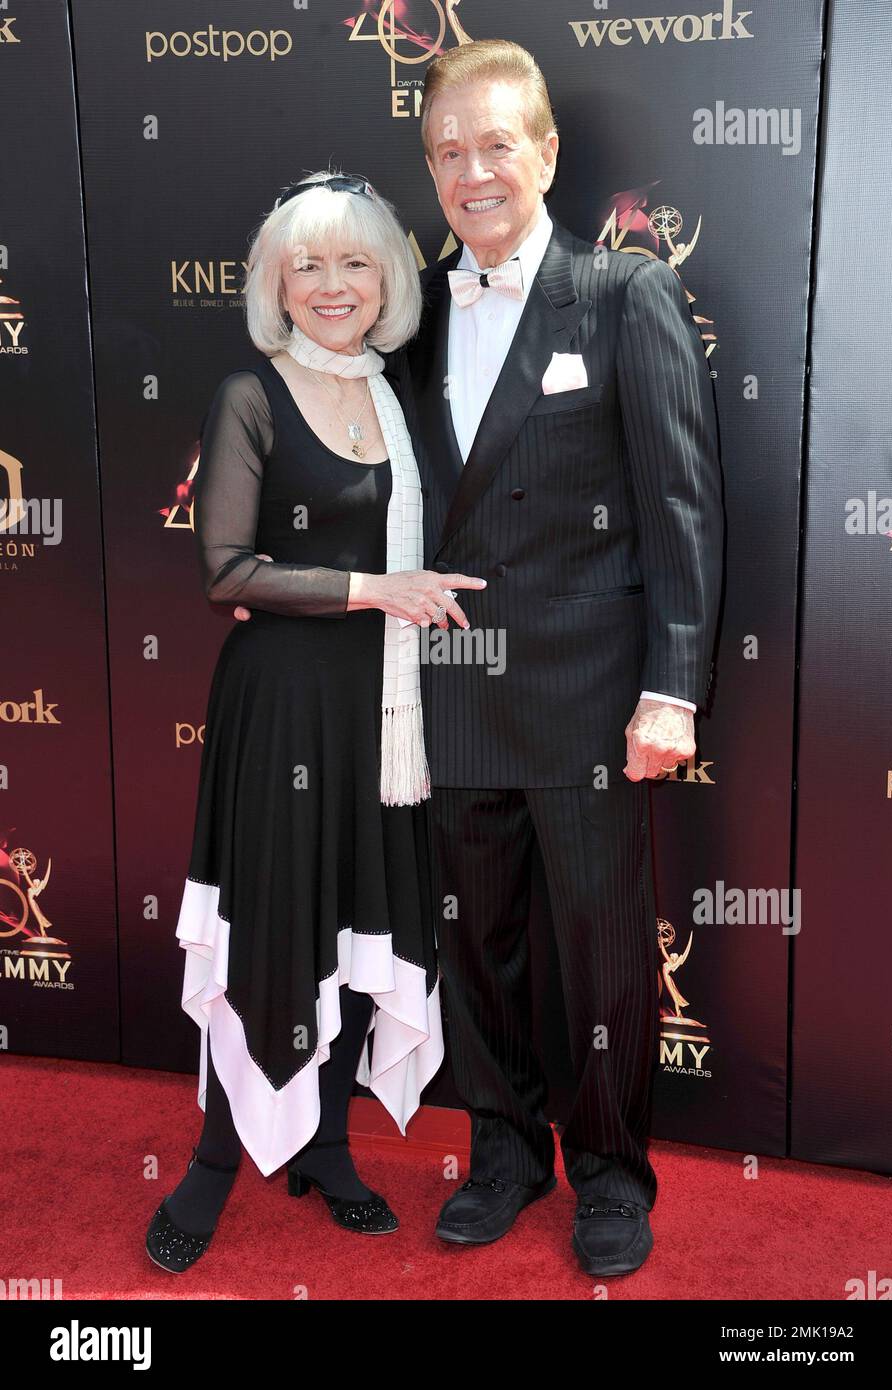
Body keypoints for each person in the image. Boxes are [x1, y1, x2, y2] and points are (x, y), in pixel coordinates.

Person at [383, 39, 725, 1276]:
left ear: (545, 151)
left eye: (495, 144)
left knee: (599, 949)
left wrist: (670, 687)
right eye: (448, 151)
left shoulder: (624, 294)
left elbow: (681, 504)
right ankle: (505, 1152)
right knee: (477, 943)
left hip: (588, 696)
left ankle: (612, 1174)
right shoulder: (412, 310)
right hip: (455, 685)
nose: (471, 172)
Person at [145, 170, 485, 1273]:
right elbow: (226, 572)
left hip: (382, 719)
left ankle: (327, 1147)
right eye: (306, 266)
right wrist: (374, 590)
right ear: (275, 285)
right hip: (283, 711)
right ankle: (213, 1161)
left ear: (386, 279)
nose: (331, 286)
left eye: (353, 263)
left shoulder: (402, 397)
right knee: (273, 928)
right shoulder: (250, 395)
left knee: (353, 928)